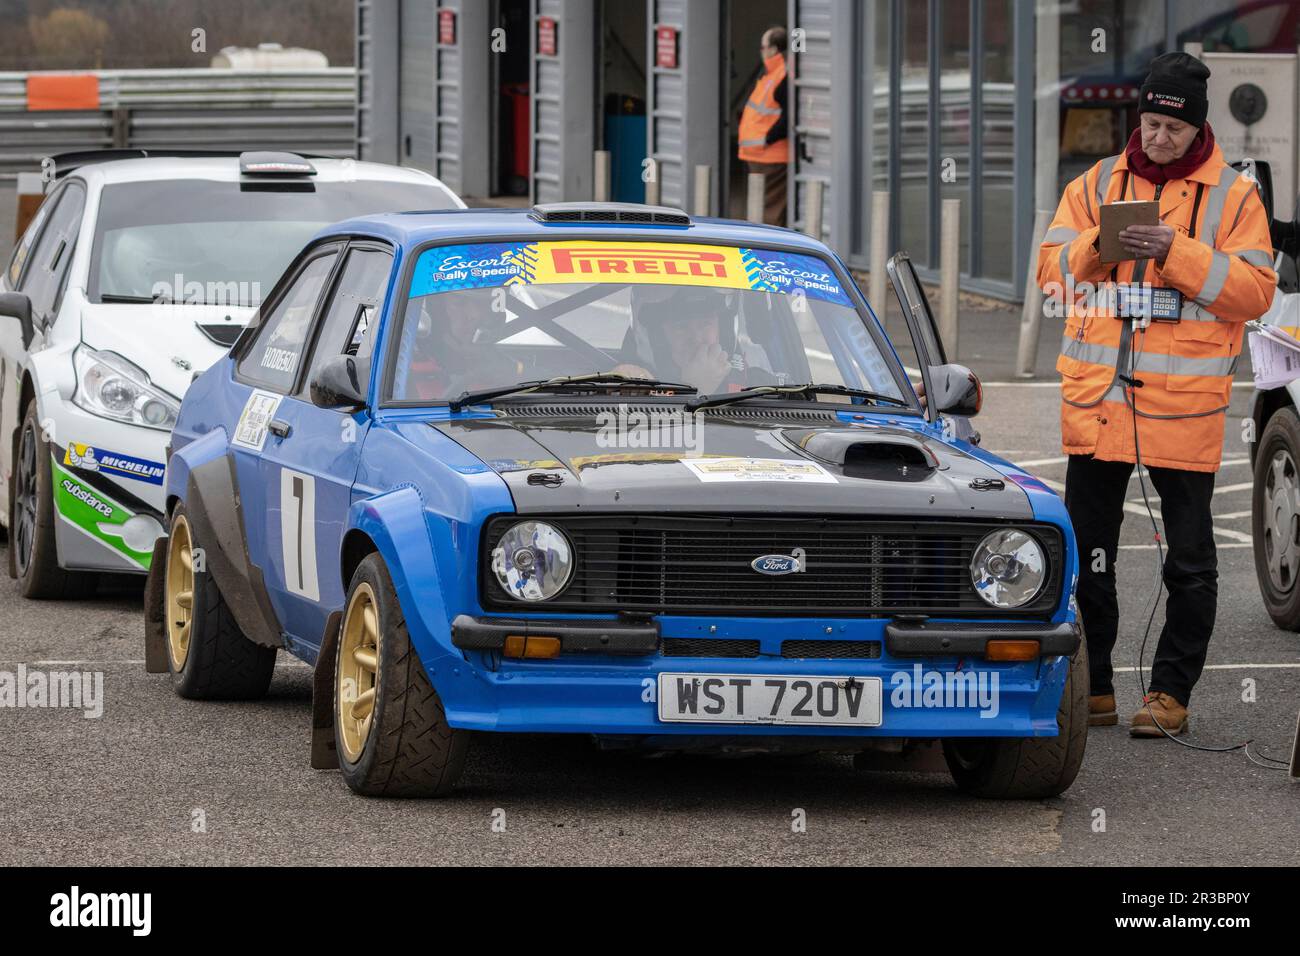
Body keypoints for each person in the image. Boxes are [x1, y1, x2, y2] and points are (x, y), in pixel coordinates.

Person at [1037, 52, 1276, 737]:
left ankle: (1171, 695)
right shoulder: (1095, 184)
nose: (1155, 139)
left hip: (1185, 408)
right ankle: (1099, 687)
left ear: (1196, 130)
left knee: (1191, 561)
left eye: (1169, 129)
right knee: (1089, 556)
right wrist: (1097, 247)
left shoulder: (1235, 196)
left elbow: (1254, 291)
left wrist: (1175, 249)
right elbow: (1052, 280)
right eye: (1146, 123)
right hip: (1099, 404)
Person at [738, 26, 789, 227]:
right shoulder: (771, 75)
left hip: (771, 156)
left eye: (763, 47)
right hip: (758, 154)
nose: (761, 51)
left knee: (769, 212)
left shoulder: (782, 75)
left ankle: (768, 254)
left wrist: (768, 139)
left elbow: (788, 117)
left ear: (774, 49)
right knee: (758, 210)